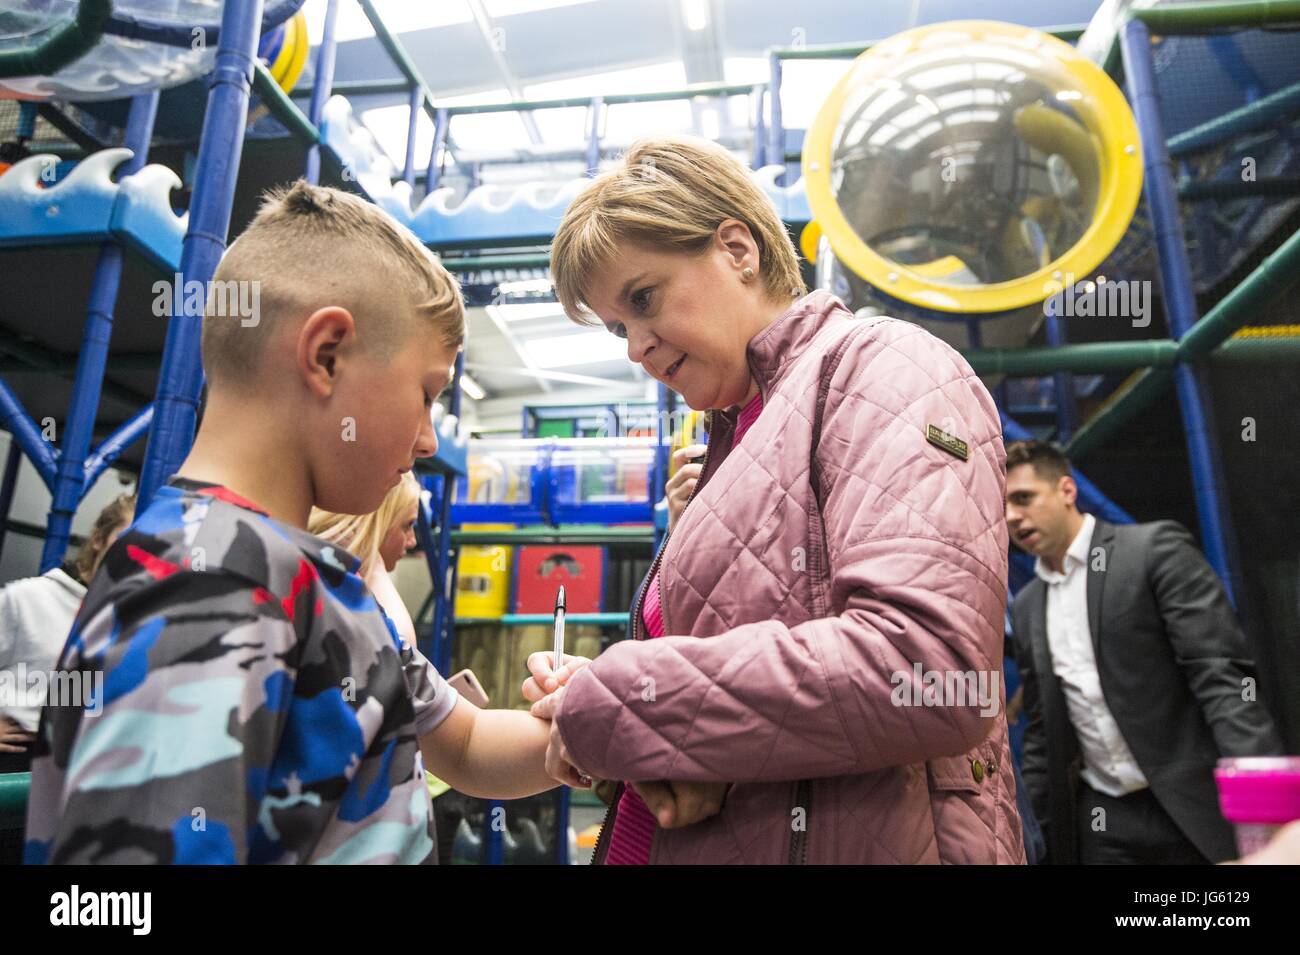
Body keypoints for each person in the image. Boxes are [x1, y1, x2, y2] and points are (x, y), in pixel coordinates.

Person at [23, 181, 578, 865]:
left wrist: (591, 724)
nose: (430, 441)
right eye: (426, 393)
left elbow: (464, 744)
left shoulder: (316, 578)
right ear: (326, 355)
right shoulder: (209, 579)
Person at [527, 135, 1024, 864]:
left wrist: (622, 697)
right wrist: (624, 729)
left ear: (738, 250)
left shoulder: (880, 364)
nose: (635, 347)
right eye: (617, 328)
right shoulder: (725, 452)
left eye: (643, 299)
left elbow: (930, 669)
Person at [1004, 439, 1283, 864]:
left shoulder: (1151, 552)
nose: (1012, 516)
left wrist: (1267, 806)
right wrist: (1037, 840)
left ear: (1066, 490)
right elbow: (1043, 730)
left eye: (1024, 498)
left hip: (1192, 803)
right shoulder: (1026, 607)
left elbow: (1222, 678)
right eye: (1003, 506)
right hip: (1104, 819)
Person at [0, 493, 134, 774]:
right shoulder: (28, 597)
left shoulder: (134, 619)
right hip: (14, 761)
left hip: (79, 769)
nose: (131, 556)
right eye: (124, 541)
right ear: (98, 539)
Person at [309, 471, 421, 646]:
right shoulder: (336, 586)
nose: (412, 541)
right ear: (373, 524)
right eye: (407, 525)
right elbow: (400, 653)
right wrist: (375, 568)